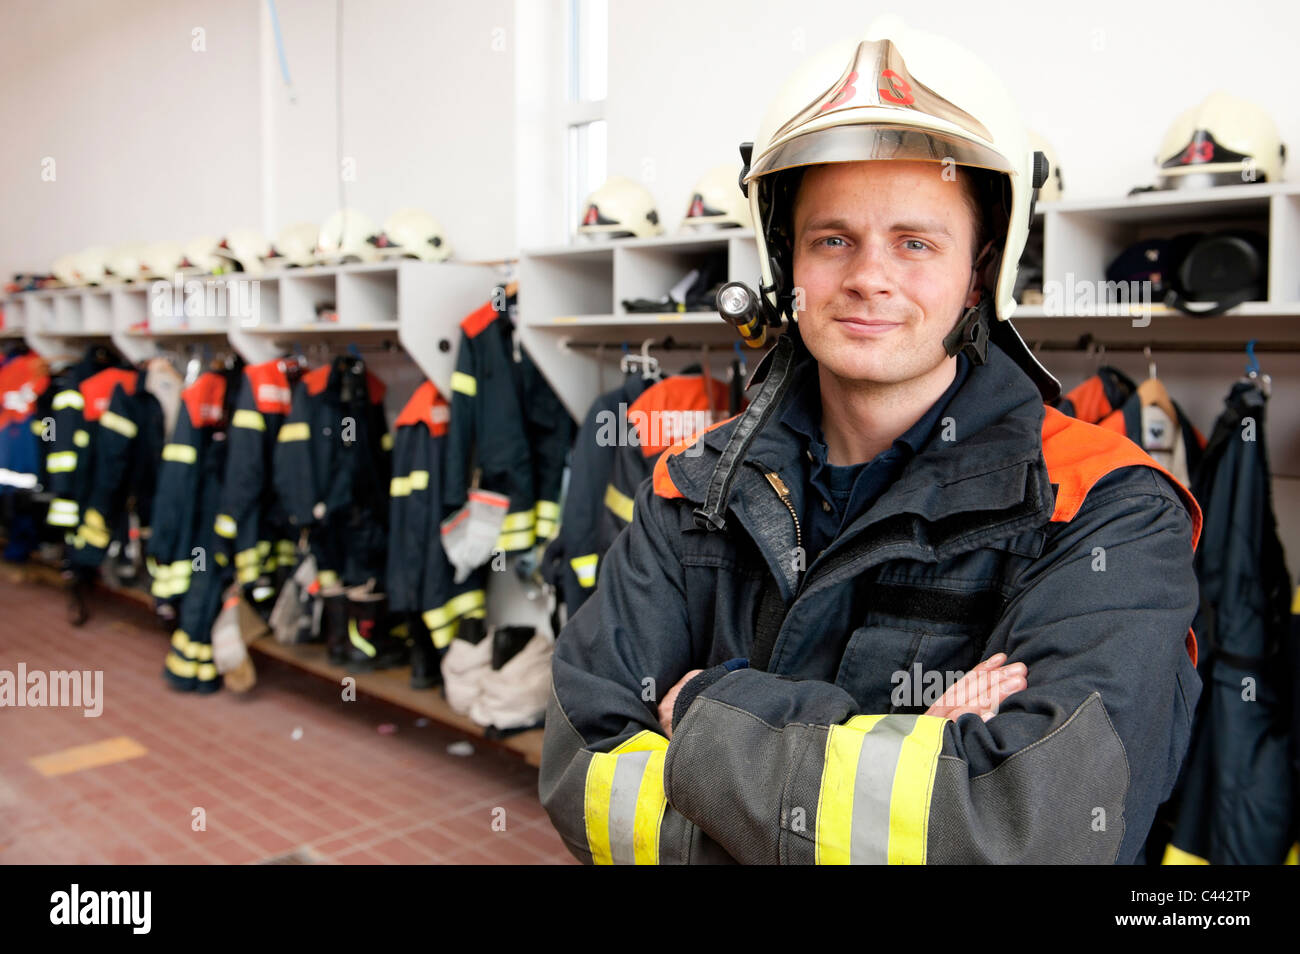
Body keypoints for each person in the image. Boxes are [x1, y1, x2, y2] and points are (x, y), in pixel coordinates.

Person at [539, 16, 1204, 864]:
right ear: (789, 265)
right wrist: (907, 761)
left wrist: (708, 706)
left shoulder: (1105, 509)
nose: (868, 277)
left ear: (980, 270)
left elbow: (1037, 832)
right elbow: (582, 774)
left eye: (916, 242)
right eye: (833, 239)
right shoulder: (691, 492)